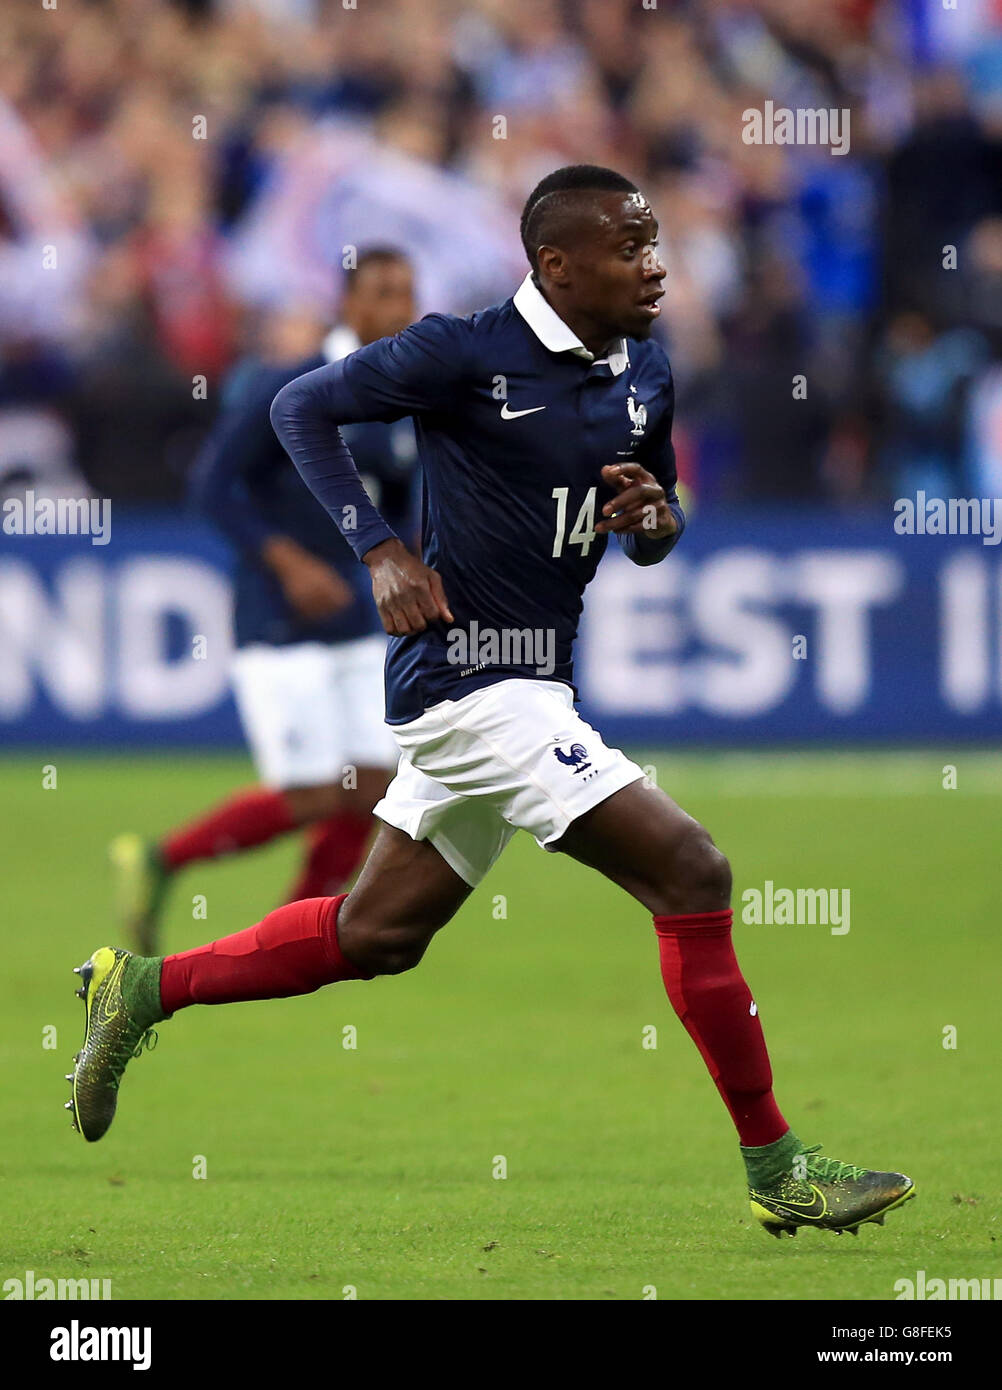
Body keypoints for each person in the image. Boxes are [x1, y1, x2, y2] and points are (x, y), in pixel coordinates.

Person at [68, 166, 914, 1239]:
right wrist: (377, 547)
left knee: (376, 933)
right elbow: (299, 405)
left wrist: (659, 521)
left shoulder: (645, 367)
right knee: (692, 869)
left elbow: (650, 525)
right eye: (632, 247)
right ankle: (779, 1167)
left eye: (658, 244)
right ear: (557, 265)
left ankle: (140, 988)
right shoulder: (463, 352)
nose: (658, 266)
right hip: (468, 681)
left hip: (531, 676)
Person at [108, 250, 418, 952]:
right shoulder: (293, 386)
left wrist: (413, 566)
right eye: (383, 293)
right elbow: (214, 484)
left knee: (376, 785)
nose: (399, 308)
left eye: (407, 293)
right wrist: (289, 562)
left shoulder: (403, 407)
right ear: (348, 302)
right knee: (313, 794)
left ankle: (297, 934)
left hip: (359, 619)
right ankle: (162, 860)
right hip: (280, 615)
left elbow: (402, 505)